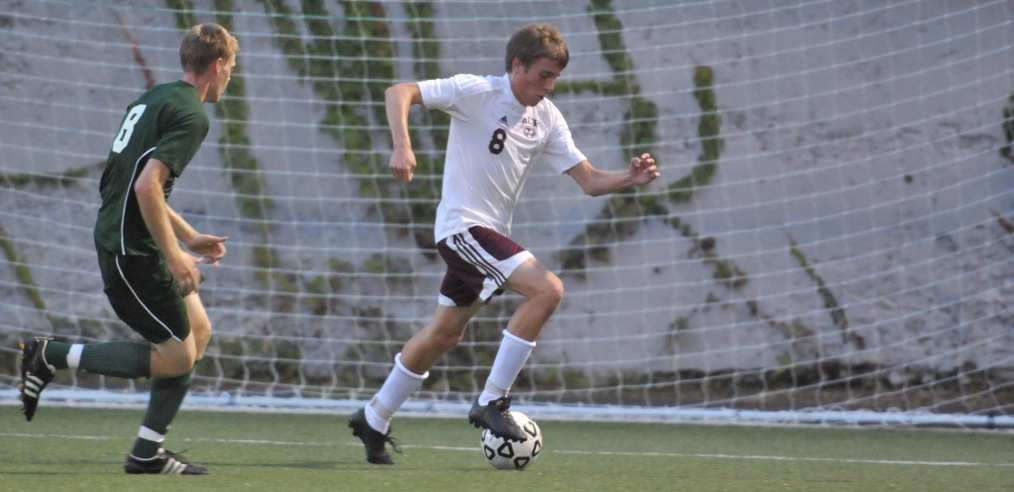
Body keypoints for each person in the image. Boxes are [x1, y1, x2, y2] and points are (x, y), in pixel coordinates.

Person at [348, 23, 660, 465]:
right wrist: (403, 146)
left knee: (445, 334)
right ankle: (492, 400)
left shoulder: (546, 116)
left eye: (555, 78)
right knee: (547, 289)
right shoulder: (476, 91)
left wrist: (630, 177)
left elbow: (589, 181)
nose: (549, 86)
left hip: (487, 236)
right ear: (517, 66)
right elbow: (399, 91)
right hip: (462, 228)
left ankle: (373, 417)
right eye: (543, 75)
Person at [18, 23, 239, 475]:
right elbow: (145, 187)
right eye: (231, 68)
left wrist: (187, 236)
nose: (230, 77)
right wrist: (176, 255)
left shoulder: (153, 98)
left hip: (130, 238)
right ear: (216, 66)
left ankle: (145, 453)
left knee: (197, 331)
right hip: (131, 252)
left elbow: (137, 186)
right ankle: (50, 355)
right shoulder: (194, 116)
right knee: (178, 357)